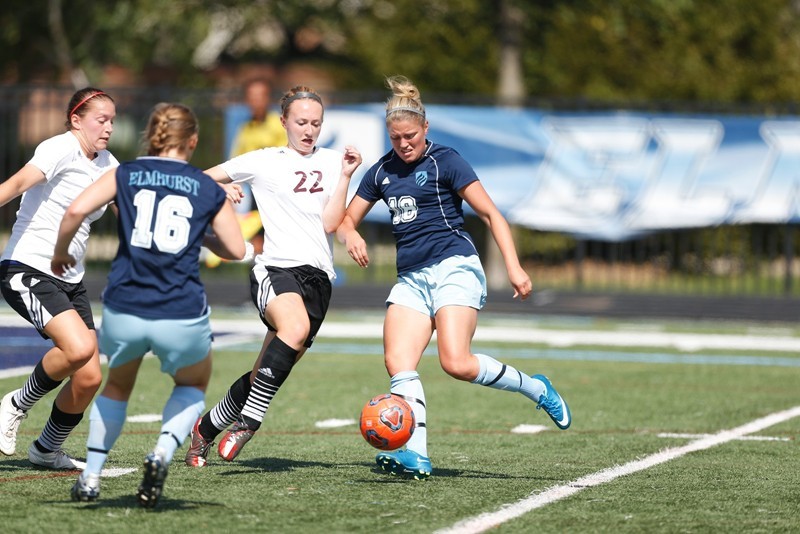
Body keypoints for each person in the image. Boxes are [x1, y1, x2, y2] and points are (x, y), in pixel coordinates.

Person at [336, 75, 571, 480]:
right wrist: (351, 233)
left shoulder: (446, 160)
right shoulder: (381, 172)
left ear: (425, 129)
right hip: (411, 278)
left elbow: (491, 214)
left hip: (454, 265)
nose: (404, 144)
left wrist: (514, 267)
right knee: (399, 363)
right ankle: (417, 454)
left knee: (456, 362)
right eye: (395, 138)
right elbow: (344, 220)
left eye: (410, 135)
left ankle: (536, 388)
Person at [52, 103, 246, 506]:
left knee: (118, 386)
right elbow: (235, 247)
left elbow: (74, 210)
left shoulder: (124, 172)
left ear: (153, 135)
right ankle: (160, 453)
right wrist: (200, 235)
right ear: (192, 141)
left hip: (126, 304)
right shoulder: (207, 187)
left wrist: (58, 255)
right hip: (180, 308)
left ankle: (89, 477)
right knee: (192, 384)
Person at [183, 86, 362, 467]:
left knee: (267, 371)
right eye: (301, 122)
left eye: (316, 123)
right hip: (275, 268)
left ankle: (205, 431)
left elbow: (331, 223)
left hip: (318, 280)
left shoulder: (333, 162)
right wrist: (223, 187)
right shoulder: (265, 159)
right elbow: (197, 179)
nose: (309, 129)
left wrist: (346, 175)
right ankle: (249, 422)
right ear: (284, 122)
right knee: (293, 329)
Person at [0, 88, 118, 470]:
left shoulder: (109, 164)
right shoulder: (59, 148)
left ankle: (46, 449)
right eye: (102, 119)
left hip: (70, 279)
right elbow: (16, 184)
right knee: (79, 349)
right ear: (76, 119)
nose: (109, 127)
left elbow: (139, 200)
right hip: (28, 268)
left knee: (88, 378)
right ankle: (16, 404)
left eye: (113, 120)